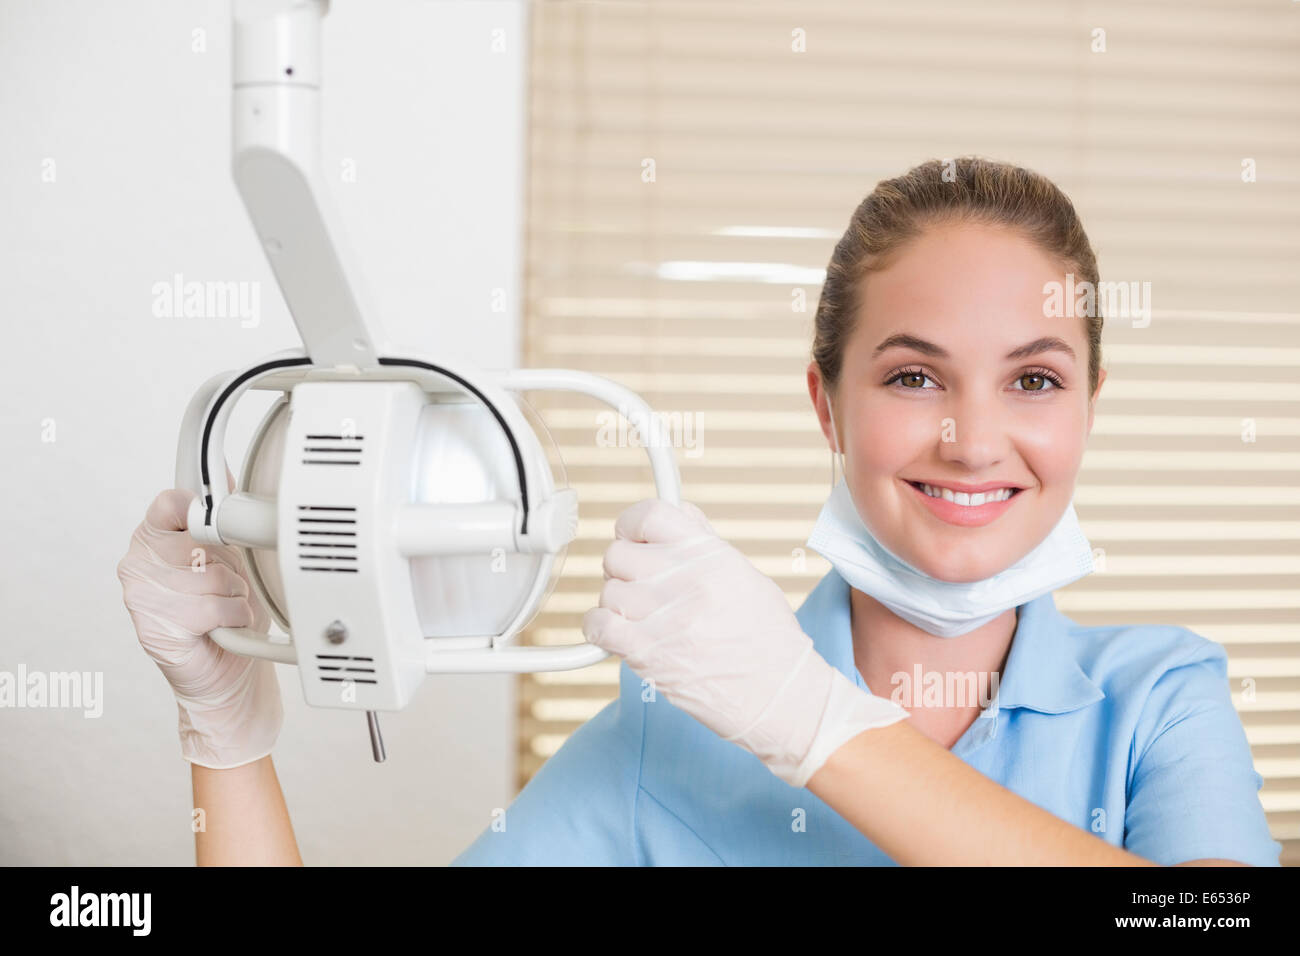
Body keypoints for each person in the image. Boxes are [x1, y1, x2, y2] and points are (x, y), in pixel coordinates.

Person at [117, 157, 1281, 866]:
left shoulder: (1157, 698)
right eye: (913, 375)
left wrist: (810, 720)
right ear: (826, 402)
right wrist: (227, 731)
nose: (972, 439)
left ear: (1088, 405)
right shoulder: (669, 732)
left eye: (1033, 379)